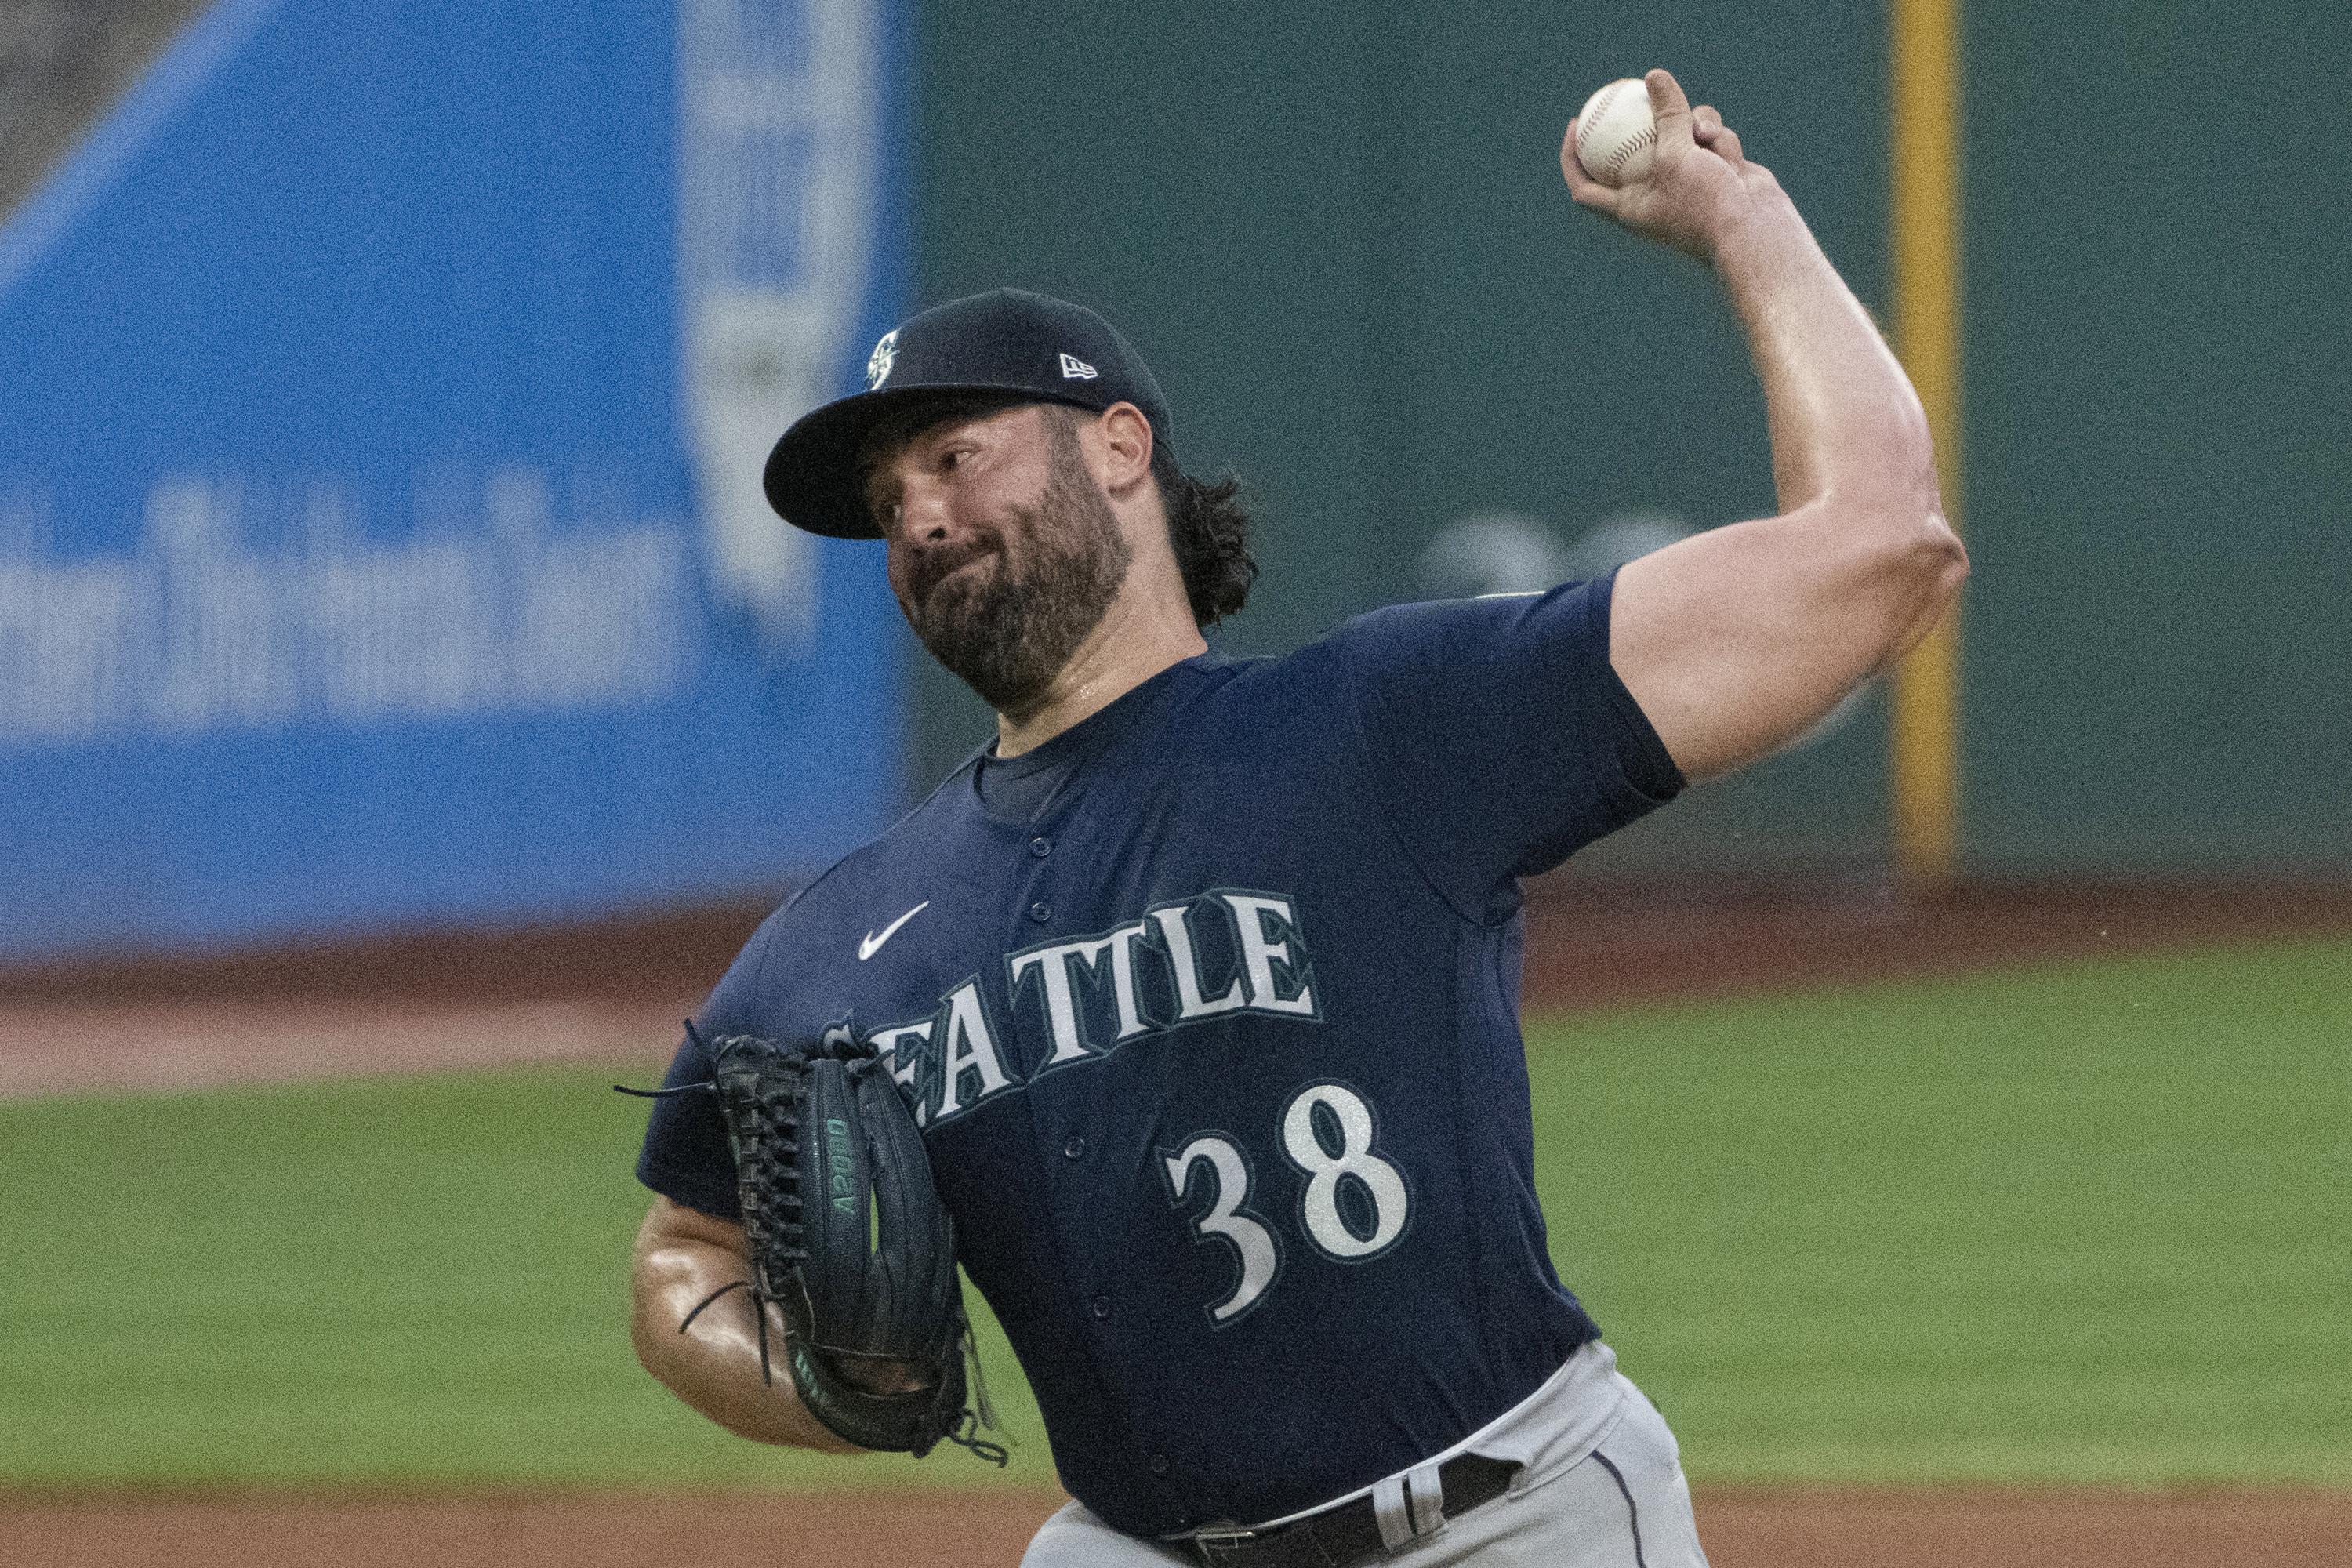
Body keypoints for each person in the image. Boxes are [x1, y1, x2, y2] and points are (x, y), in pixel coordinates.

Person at [628, 69, 1965, 1567]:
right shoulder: (848, 936)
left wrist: (1744, 218)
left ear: (1118, 448)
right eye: (885, 501)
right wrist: (810, 1380)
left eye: (956, 456)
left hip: (1509, 1517)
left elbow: (1881, 550)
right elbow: (683, 1253)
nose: (918, 516)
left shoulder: (1384, 729)